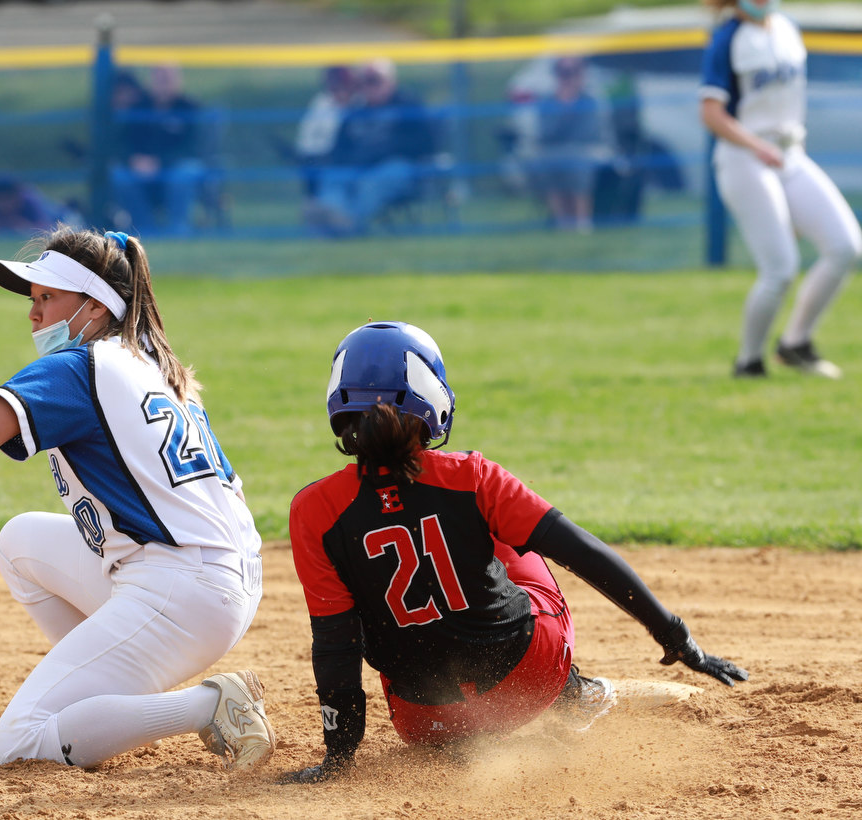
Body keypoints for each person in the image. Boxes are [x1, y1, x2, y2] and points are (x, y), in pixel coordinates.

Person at [0, 227, 273, 771]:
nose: (34, 314)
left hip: (182, 591)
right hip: (217, 575)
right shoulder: (151, 364)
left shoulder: (79, 368)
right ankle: (102, 703)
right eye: (34, 300)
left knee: (20, 742)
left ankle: (207, 707)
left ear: (95, 306)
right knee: (20, 542)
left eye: (48, 298)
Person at [282, 322, 747, 783]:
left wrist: (337, 760)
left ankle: (463, 734)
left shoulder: (312, 510)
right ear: (430, 397)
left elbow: (335, 645)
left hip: (426, 722)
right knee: (507, 536)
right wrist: (674, 636)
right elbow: (584, 553)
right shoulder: (471, 476)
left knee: (363, 604)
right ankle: (574, 694)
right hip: (530, 681)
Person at [701, 0, 861, 379]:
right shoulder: (727, 38)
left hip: (790, 155)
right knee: (780, 269)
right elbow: (710, 112)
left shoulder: (786, 28)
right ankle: (748, 362)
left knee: (845, 248)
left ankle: (795, 344)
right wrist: (756, 146)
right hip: (745, 158)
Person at [307, 59, 438, 237]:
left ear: (391, 81)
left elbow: (426, 143)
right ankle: (329, 217)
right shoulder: (355, 112)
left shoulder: (408, 105)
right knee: (334, 177)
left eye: (375, 80)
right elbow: (340, 148)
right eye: (364, 82)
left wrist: (386, 150)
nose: (369, 87)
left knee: (376, 181)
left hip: (398, 166)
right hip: (360, 166)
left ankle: (347, 223)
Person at [111, 64, 209, 236]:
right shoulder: (139, 108)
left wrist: (161, 162)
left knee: (186, 172)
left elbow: (194, 148)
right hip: (141, 169)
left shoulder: (190, 107)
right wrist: (133, 161)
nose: (163, 84)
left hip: (176, 167)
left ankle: (178, 229)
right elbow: (123, 144)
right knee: (119, 175)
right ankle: (142, 229)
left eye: (168, 79)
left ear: (178, 81)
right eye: (159, 79)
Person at [531, 57, 605, 233]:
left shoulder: (588, 101)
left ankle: (582, 221)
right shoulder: (548, 102)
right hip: (553, 150)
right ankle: (562, 221)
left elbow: (588, 134)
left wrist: (568, 110)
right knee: (546, 164)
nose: (568, 78)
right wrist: (564, 110)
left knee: (578, 165)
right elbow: (545, 133)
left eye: (572, 73)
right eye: (563, 73)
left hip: (581, 150)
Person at [293, 65, 357, 203]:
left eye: (342, 86)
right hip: (318, 159)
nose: (339, 92)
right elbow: (305, 140)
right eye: (334, 87)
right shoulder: (321, 103)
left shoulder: (359, 103)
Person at [0, 176, 78, 236]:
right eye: (0, 201)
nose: (5, 205)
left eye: (8, 199)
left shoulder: (29, 200)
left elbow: (46, 227)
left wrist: (26, 226)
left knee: (67, 216)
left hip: (54, 214)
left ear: (17, 197)